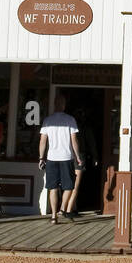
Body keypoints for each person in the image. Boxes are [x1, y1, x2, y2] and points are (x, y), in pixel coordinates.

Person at [38, 95, 81, 224]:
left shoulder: (48, 120)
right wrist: (78, 156)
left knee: (53, 187)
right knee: (69, 186)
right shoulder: (70, 120)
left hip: (51, 157)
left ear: (54, 104)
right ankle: (62, 208)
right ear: (63, 105)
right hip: (66, 157)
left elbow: (42, 141)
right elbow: (74, 140)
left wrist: (41, 157)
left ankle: (53, 216)